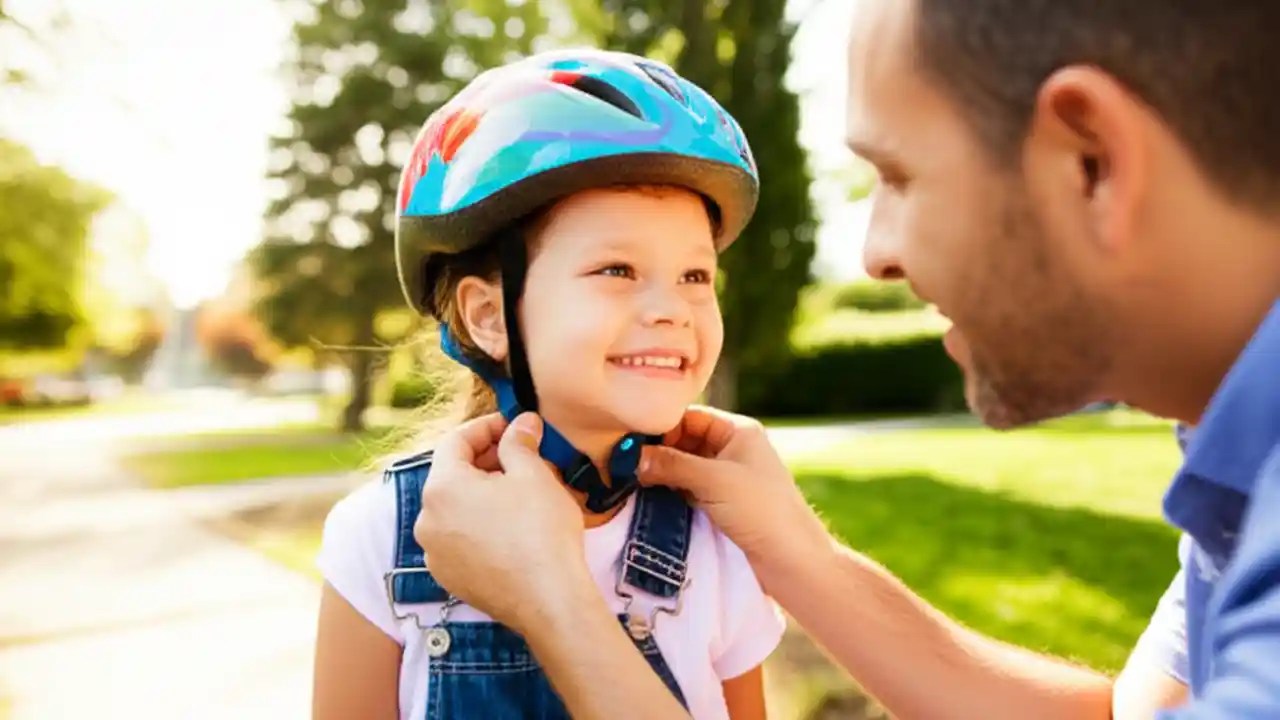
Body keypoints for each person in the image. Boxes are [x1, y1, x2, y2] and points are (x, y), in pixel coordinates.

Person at [411, 0, 1280, 718]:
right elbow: (1135, 715)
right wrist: (801, 559)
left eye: (897, 178)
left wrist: (554, 604)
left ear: (1093, 163)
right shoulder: (1240, 487)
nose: (874, 256)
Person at [311, 48, 785, 720]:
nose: (672, 308)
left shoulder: (719, 537)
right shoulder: (383, 535)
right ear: (489, 317)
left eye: (695, 276)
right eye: (617, 269)